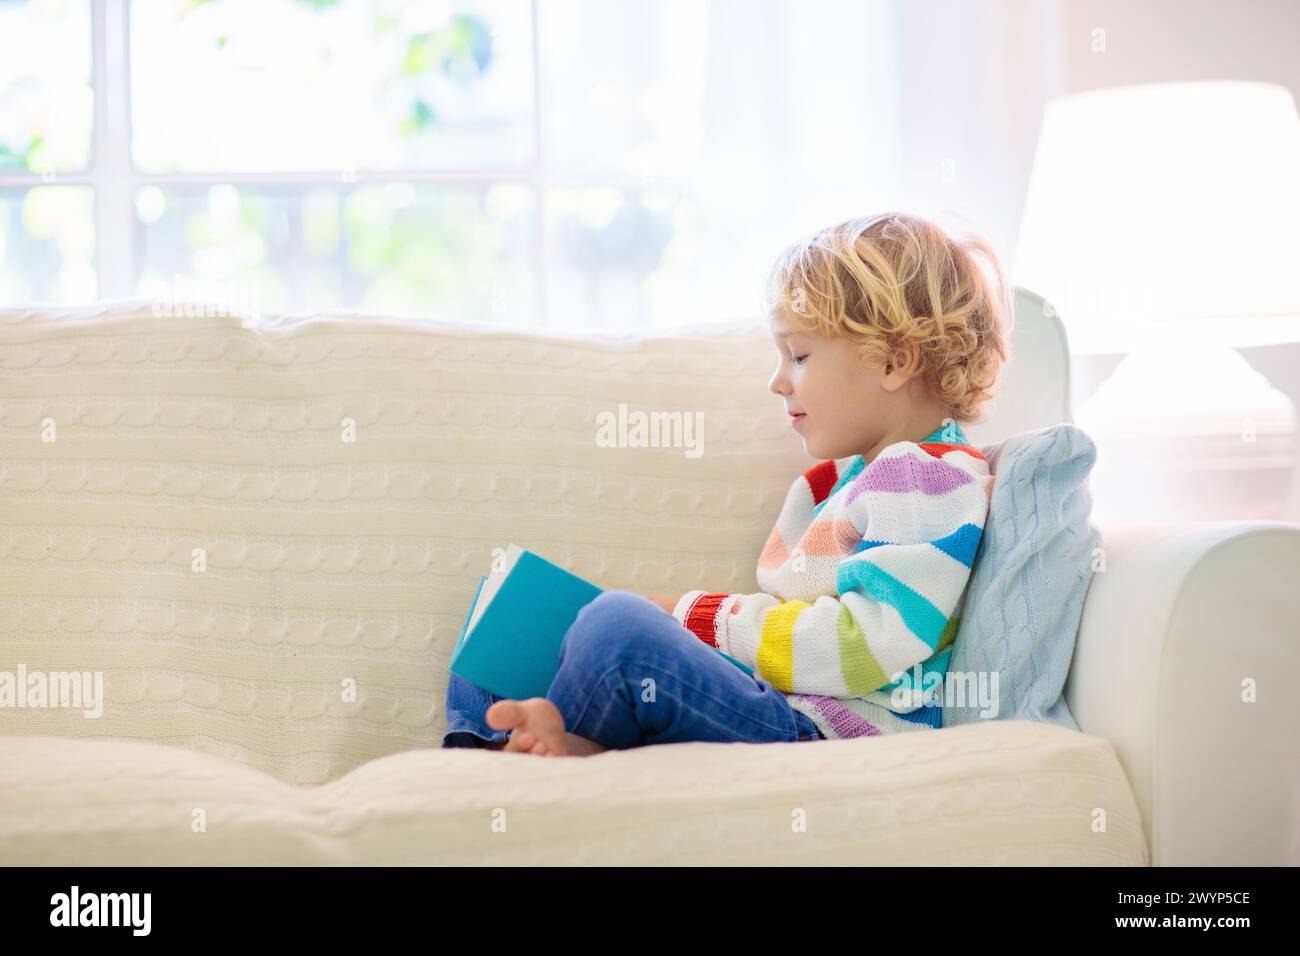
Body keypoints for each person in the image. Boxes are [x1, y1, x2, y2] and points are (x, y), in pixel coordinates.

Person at [443, 212, 1009, 756]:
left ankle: (561, 745)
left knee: (614, 628)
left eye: (800, 355)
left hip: (822, 736)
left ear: (894, 361)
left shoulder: (925, 478)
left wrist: (693, 618)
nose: (777, 381)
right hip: (781, 707)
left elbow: (862, 648)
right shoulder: (848, 481)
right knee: (506, 608)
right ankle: (494, 747)